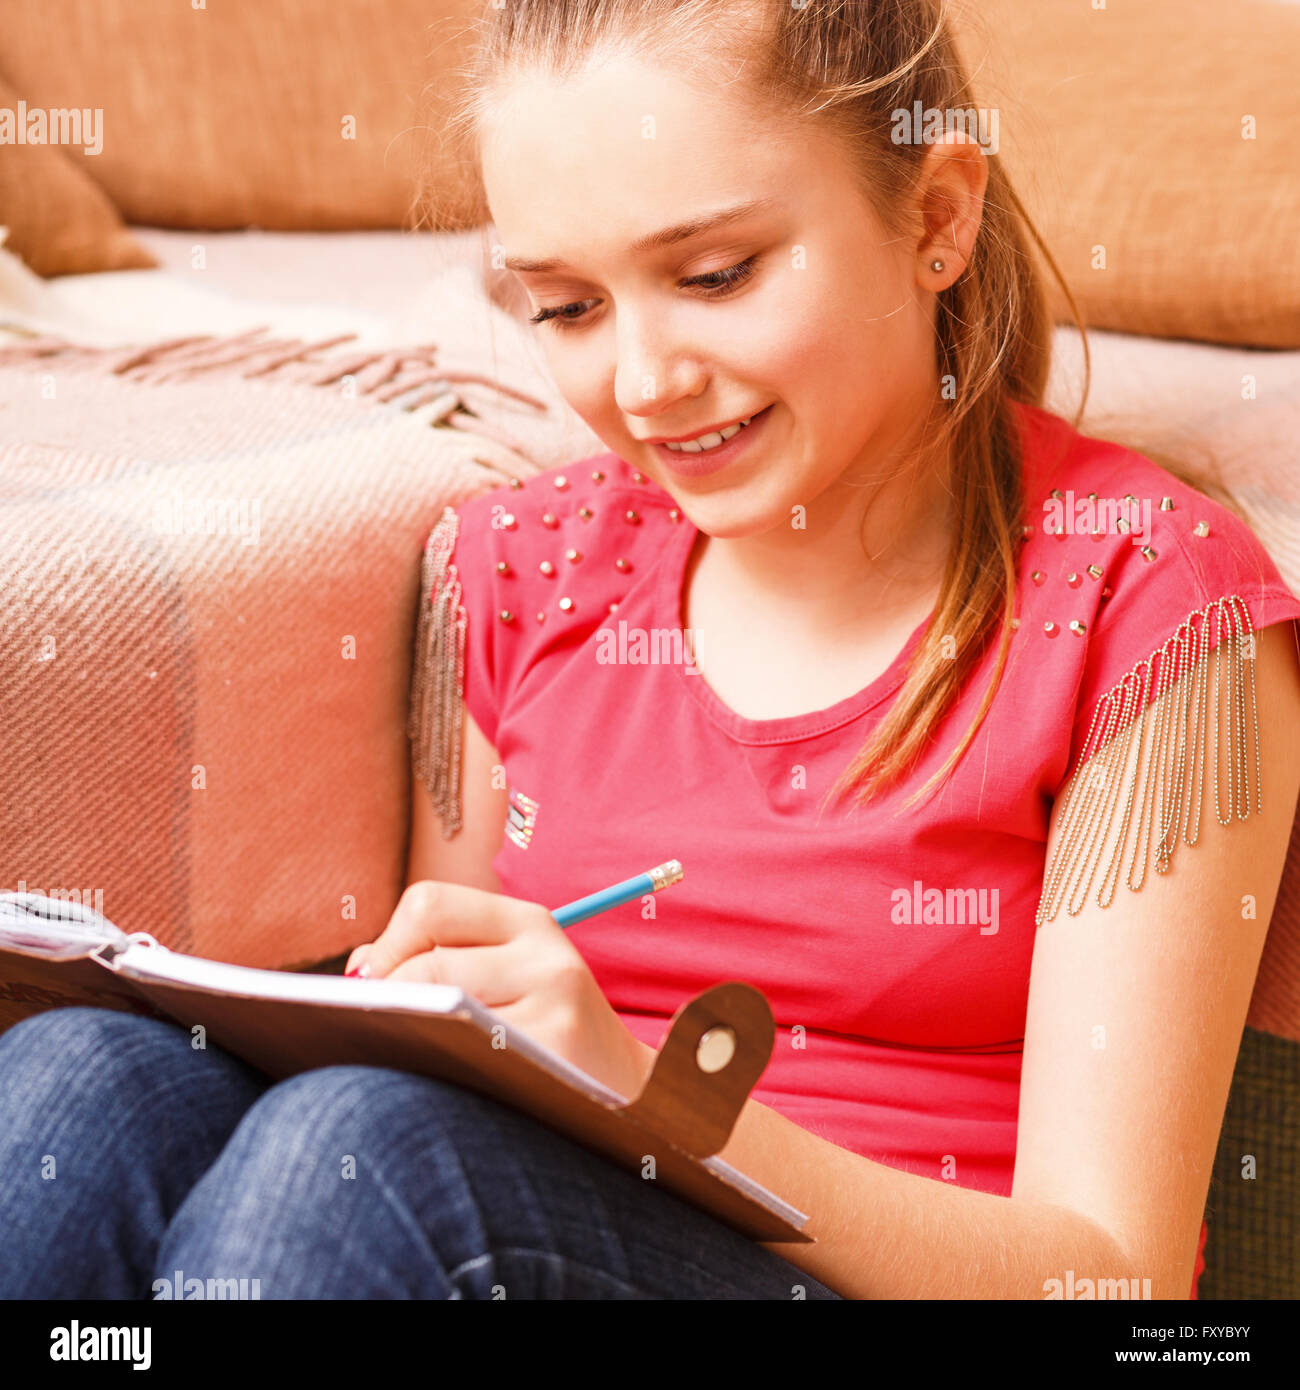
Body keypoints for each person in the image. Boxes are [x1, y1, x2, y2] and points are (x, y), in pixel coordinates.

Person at [3, 0, 1299, 1301]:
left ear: (936, 219)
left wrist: (653, 1096)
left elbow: (1118, 1281)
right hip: (550, 1236)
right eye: (566, 306)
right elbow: (442, 1050)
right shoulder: (514, 567)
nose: (642, 382)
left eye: (715, 275)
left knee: (366, 1152)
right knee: (77, 1083)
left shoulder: (1154, 601)